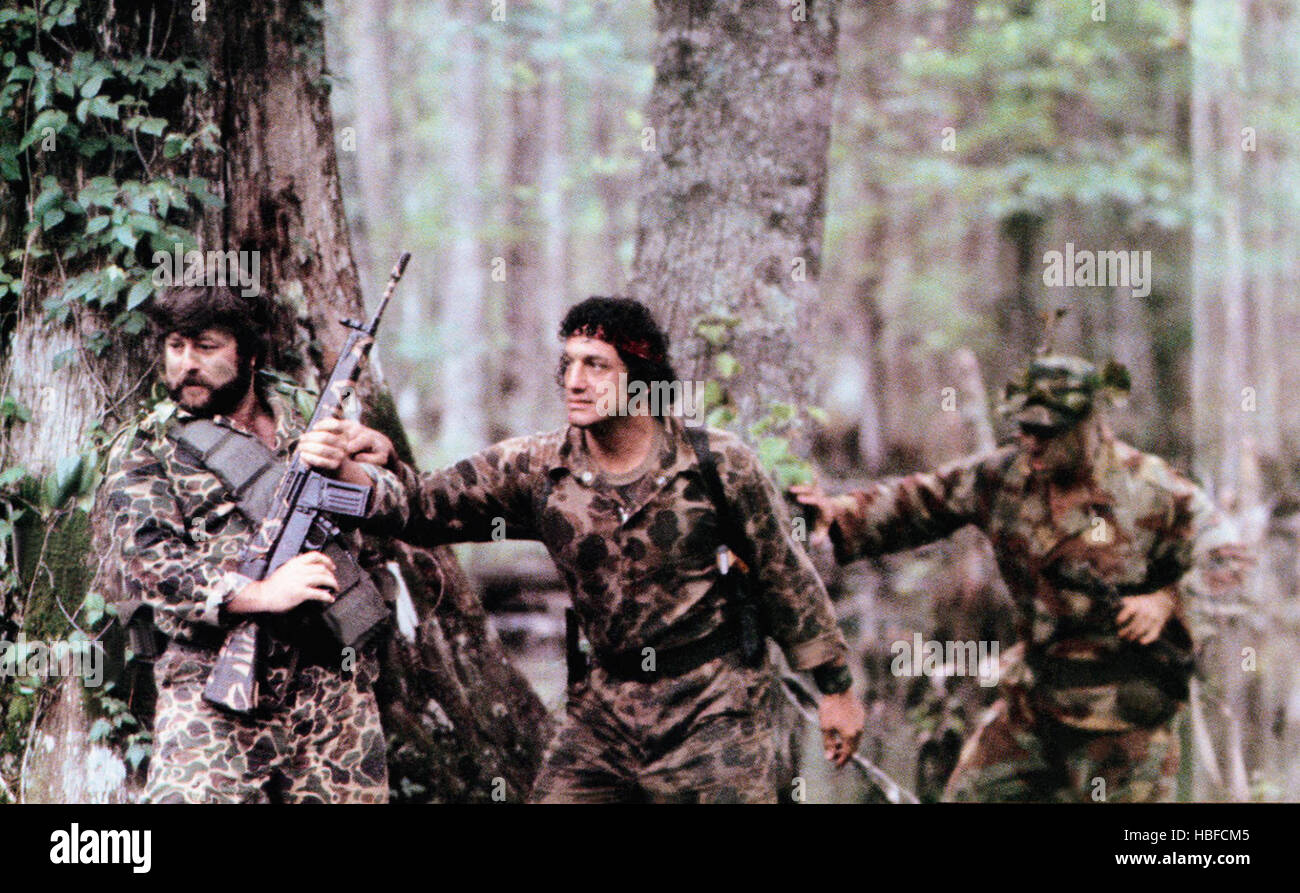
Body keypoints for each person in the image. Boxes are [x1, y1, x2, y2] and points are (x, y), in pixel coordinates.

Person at [351, 296, 864, 802]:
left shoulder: (715, 463)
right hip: (604, 712)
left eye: (596, 365)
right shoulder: (538, 467)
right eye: (568, 364)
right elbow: (423, 506)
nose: (574, 381)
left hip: (713, 713)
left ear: (640, 378)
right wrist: (369, 466)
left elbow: (784, 575)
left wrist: (836, 689)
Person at [794, 354, 1226, 802]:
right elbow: (924, 501)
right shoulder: (1003, 477)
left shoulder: (1152, 489)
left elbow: (1229, 559)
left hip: (1126, 723)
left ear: (1089, 425)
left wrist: (1168, 599)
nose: (1031, 443)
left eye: (1046, 432)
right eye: (1024, 428)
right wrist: (840, 513)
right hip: (1034, 706)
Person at [100, 284, 406, 803]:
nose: (187, 363)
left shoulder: (314, 420)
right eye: (176, 347)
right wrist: (261, 594)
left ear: (251, 353)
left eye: (207, 347)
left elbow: (398, 509)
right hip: (213, 688)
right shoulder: (148, 450)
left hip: (333, 690)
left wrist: (362, 467)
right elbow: (152, 564)